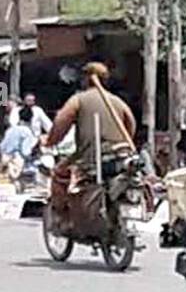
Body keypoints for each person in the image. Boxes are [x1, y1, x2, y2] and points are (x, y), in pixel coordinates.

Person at [44, 63, 137, 222]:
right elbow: (131, 126)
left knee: (59, 173)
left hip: (90, 157)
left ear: (86, 79)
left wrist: (50, 141)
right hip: (121, 155)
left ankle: (61, 214)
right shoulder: (117, 102)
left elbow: (60, 124)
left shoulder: (78, 100)